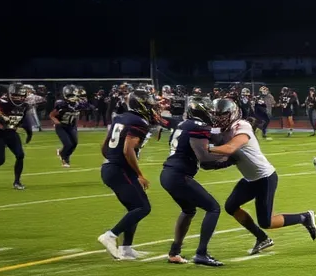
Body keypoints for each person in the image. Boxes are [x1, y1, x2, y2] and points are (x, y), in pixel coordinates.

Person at [207, 98, 316, 256]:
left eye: (222, 115)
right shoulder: (221, 129)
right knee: (231, 206)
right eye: (216, 115)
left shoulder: (241, 125)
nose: (218, 119)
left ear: (232, 114)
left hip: (264, 178)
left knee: (266, 222)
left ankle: (304, 217)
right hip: (250, 179)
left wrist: (207, 148)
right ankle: (262, 238)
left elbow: (230, 148)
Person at [159, 96, 228, 266]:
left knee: (189, 210)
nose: (211, 113)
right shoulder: (197, 126)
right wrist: (229, 157)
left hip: (168, 174)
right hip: (178, 176)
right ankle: (201, 253)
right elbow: (204, 158)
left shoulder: (184, 124)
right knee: (213, 208)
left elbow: (205, 148)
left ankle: (174, 252)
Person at [97, 90, 160, 260]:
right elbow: (127, 149)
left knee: (134, 208)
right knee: (143, 208)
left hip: (111, 167)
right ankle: (110, 235)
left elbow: (104, 145)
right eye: (148, 103)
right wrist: (139, 173)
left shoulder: (120, 117)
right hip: (120, 169)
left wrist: (111, 160)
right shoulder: (138, 122)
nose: (151, 106)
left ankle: (126, 249)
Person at [0, 83, 31, 190]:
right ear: (10, 94)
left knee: (20, 155)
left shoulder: (24, 106)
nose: (19, 98)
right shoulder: (1, 103)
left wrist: (29, 132)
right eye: (16, 95)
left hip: (11, 133)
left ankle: (17, 182)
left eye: (21, 95)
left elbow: (23, 120)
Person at [50, 83, 84, 168]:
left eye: (74, 95)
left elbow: (81, 112)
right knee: (68, 144)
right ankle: (64, 158)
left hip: (71, 126)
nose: (73, 97)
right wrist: (56, 122)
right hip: (61, 126)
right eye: (70, 95)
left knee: (74, 144)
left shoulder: (79, 104)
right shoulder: (61, 104)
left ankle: (63, 153)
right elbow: (52, 115)